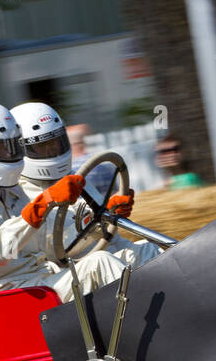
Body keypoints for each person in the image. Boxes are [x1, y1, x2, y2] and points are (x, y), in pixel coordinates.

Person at [0, 101, 143, 302]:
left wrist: (104, 216)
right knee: (100, 264)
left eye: (11, 146)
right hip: (14, 297)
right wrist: (42, 204)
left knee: (151, 250)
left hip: (44, 278)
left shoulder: (9, 191)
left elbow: (54, 241)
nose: (8, 154)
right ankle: (158, 329)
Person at [11, 101, 159, 270]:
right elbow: (55, 253)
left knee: (151, 249)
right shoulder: (20, 195)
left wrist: (110, 213)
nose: (52, 151)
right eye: (42, 146)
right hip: (70, 273)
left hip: (104, 255)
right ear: (20, 149)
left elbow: (108, 237)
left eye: (55, 143)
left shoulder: (75, 178)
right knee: (105, 264)